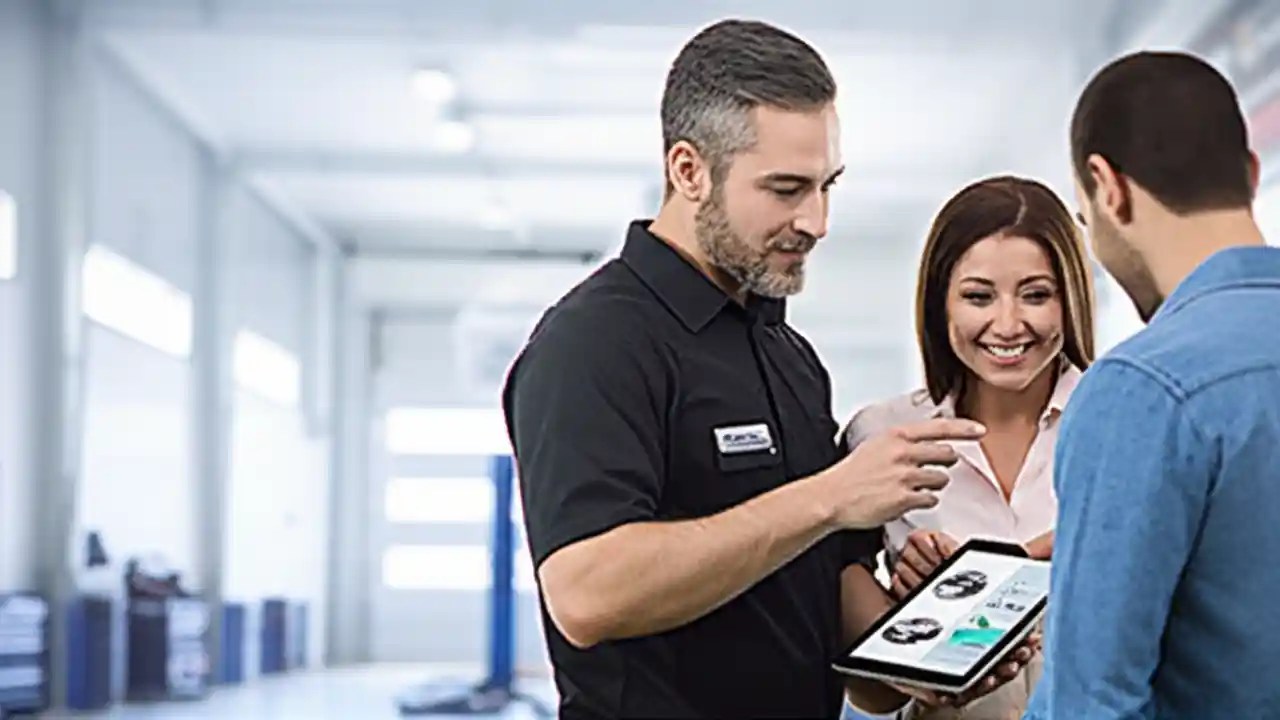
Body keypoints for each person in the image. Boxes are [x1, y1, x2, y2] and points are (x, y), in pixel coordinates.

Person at [502, 19, 1034, 720]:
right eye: (786, 189)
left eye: (826, 186)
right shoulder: (594, 343)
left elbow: (828, 609)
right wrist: (829, 497)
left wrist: (923, 653)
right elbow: (586, 594)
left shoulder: (789, 358)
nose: (816, 220)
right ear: (688, 171)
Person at [1025, 51, 1280, 719]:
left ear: (1107, 188)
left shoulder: (1143, 390)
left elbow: (1091, 705)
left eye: (1085, 222)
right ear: (1249, 174)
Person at [842, 176, 1095, 719]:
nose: (1007, 325)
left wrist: (982, 576)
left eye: (1036, 295)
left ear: (1069, 298)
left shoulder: (1124, 421)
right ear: (941, 303)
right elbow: (871, 693)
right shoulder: (880, 435)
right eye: (978, 296)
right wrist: (918, 609)